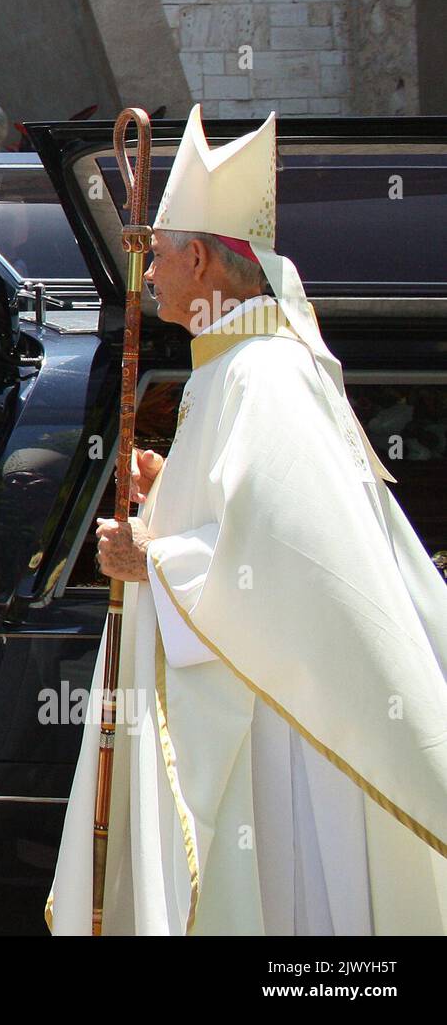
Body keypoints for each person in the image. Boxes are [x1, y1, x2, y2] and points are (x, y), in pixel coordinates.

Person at [49, 106, 447, 935]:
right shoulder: (233, 366)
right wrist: (167, 492)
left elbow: (288, 555)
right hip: (263, 684)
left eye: (157, 256)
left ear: (199, 258)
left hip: (290, 713)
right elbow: (243, 514)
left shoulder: (262, 373)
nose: (149, 274)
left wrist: (148, 559)